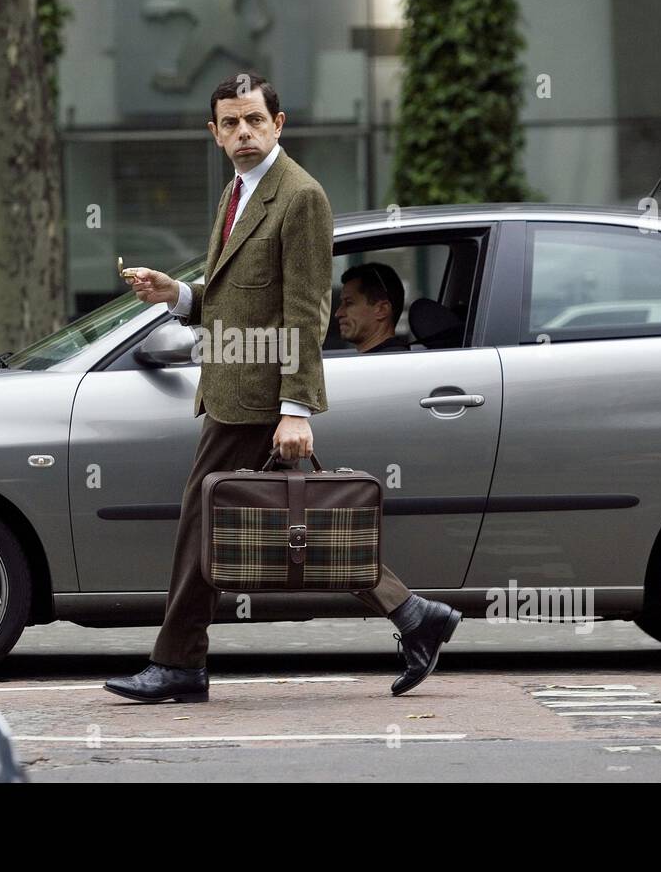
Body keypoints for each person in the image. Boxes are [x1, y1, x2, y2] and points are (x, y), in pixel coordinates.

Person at [104, 73, 461, 704]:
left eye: (255, 121)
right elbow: (239, 300)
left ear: (279, 124)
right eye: (231, 123)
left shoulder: (300, 196)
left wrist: (296, 410)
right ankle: (414, 616)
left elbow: (304, 311)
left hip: (261, 398)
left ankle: (179, 664)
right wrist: (180, 297)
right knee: (291, 521)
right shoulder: (239, 190)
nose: (244, 132)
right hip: (232, 387)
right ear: (214, 133)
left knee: (207, 524)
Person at [337, 262, 411, 353]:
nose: (338, 313)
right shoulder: (393, 358)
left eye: (349, 303)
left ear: (382, 310)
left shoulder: (390, 363)